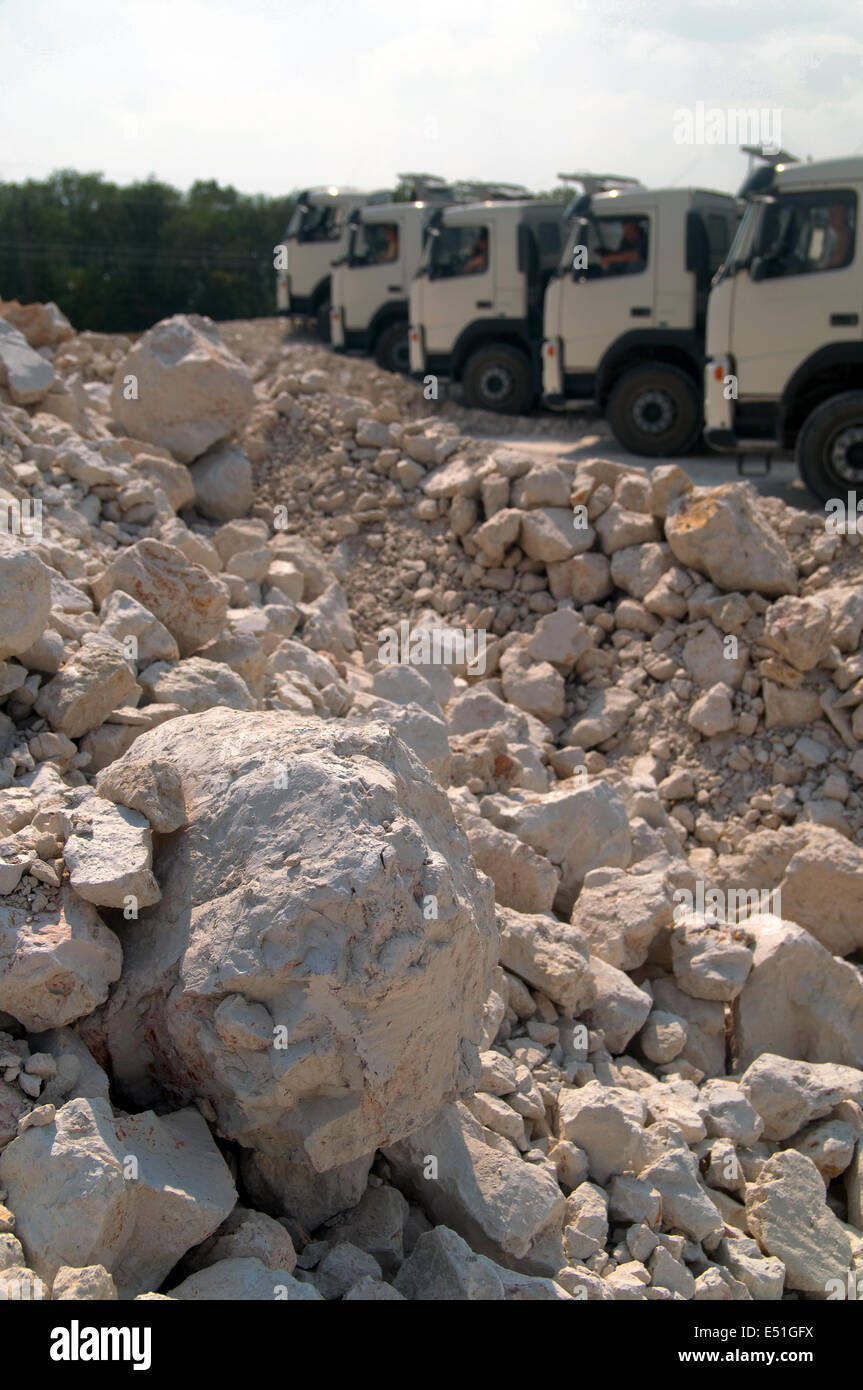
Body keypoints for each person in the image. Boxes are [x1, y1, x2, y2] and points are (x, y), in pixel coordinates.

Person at [820, 202, 852, 271]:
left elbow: (835, 263)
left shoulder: (846, 236)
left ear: (845, 214)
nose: (831, 217)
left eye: (835, 213)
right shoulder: (832, 235)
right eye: (830, 213)